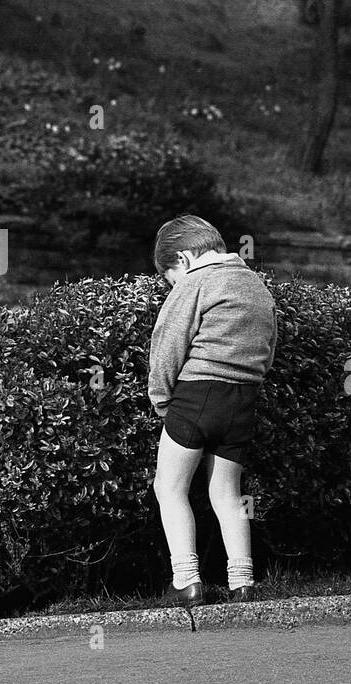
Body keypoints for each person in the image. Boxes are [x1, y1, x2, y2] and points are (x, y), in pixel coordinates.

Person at [148, 215, 277, 604]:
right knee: (227, 493)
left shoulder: (194, 284)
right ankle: (242, 581)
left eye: (170, 276)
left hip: (197, 395)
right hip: (243, 398)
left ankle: (187, 581)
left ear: (184, 260)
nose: (173, 283)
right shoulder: (255, 285)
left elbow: (167, 345)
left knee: (169, 487)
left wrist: (161, 401)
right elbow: (268, 346)